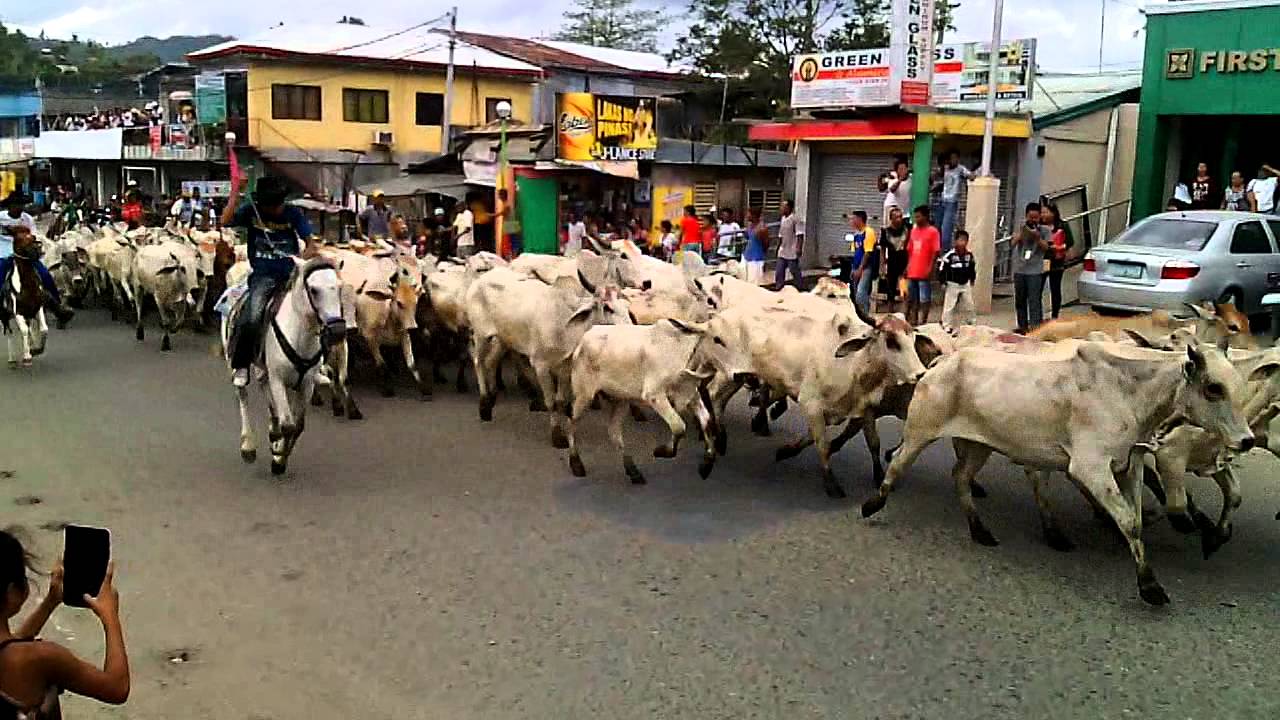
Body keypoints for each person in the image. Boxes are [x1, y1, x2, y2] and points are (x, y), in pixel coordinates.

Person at [0, 529, 130, 718]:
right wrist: (110, 617)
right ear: (12, 592)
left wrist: (49, 603)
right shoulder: (42, 657)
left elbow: (11, 646)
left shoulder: (20, 657)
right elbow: (117, 687)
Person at [221, 175, 316, 388]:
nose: (277, 208)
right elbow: (225, 221)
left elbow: (311, 244)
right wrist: (236, 192)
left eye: (279, 203)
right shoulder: (250, 212)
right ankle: (242, 364)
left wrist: (303, 259)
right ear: (262, 203)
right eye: (272, 204)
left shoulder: (293, 214)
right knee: (252, 317)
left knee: (318, 313)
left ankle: (316, 366)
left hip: (291, 275)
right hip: (263, 277)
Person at [0, 193, 75, 328]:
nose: (19, 208)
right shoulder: (1, 218)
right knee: (0, 275)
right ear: (9, 206)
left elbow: (34, 236)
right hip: (4, 253)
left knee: (45, 274)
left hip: (24, 254)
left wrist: (30, 241)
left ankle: (58, 307)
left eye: (21, 205)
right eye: (16, 205)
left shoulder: (27, 219)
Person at [1012, 202, 1049, 333]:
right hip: (1020, 269)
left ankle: (1036, 327)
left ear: (1040, 218)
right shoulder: (1021, 227)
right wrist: (1023, 233)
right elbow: (1013, 243)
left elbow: (1046, 248)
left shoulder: (1044, 230)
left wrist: (1037, 238)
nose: (1032, 220)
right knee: (1020, 300)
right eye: (1030, 217)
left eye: (1035, 218)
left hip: (1035, 270)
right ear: (1026, 216)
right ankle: (1022, 326)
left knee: (1034, 300)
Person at [904, 205, 940, 326]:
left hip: (924, 270)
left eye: (918, 216)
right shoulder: (914, 231)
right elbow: (910, 250)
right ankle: (913, 318)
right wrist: (907, 266)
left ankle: (923, 320)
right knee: (912, 297)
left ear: (925, 217)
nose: (916, 219)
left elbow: (936, 251)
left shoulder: (933, 232)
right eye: (915, 216)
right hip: (913, 269)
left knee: (924, 297)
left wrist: (931, 267)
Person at [938, 229, 977, 330]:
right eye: (960, 240)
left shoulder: (969, 255)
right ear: (955, 241)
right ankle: (946, 325)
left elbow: (972, 267)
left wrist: (972, 278)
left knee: (969, 305)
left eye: (964, 240)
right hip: (952, 284)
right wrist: (943, 281)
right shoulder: (950, 255)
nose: (962, 243)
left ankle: (971, 323)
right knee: (949, 306)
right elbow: (942, 268)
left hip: (965, 284)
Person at [1042, 203, 1074, 320]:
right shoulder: (1040, 226)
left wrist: (1061, 247)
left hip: (1057, 260)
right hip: (1044, 260)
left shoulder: (1062, 225)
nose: (1043, 215)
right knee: (1038, 286)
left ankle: (1055, 315)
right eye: (1042, 212)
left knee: (1055, 288)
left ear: (1053, 213)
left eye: (1046, 212)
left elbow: (1070, 241)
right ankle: (1037, 314)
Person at [879, 206, 909, 312]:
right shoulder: (886, 231)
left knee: (903, 289)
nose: (899, 219)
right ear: (891, 219)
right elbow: (883, 250)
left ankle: (905, 311)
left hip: (903, 262)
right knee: (890, 289)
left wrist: (908, 265)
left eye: (900, 217)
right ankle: (890, 311)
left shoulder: (907, 229)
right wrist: (882, 266)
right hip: (892, 263)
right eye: (896, 217)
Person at [939, 152, 972, 250]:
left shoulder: (960, 169)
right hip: (942, 200)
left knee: (946, 229)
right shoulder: (945, 168)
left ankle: (946, 250)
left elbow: (970, 175)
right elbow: (937, 178)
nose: (953, 160)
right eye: (951, 158)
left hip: (952, 202)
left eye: (955, 158)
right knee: (939, 228)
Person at [848, 210, 878, 312]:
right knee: (855, 294)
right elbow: (855, 252)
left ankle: (865, 313)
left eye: (853, 219)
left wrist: (860, 268)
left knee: (861, 293)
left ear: (859, 219)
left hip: (866, 267)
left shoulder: (868, 232)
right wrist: (853, 268)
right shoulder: (856, 234)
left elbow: (867, 252)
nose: (851, 221)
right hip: (856, 266)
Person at [775, 200, 803, 289]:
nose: (781, 208)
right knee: (779, 270)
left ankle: (799, 287)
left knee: (794, 270)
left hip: (792, 250)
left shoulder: (795, 219)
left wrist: (798, 247)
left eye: (783, 207)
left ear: (789, 208)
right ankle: (779, 287)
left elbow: (800, 234)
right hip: (783, 249)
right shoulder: (783, 219)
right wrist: (778, 245)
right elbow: (781, 234)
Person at [743, 208, 769, 283]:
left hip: (756, 259)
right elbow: (747, 236)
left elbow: (766, 243)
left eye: (748, 214)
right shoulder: (750, 225)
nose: (747, 216)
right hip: (747, 256)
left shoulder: (762, 228)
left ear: (753, 215)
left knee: (755, 282)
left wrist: (762, 255)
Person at [883, 159, 912, 224]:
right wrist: (899, 180)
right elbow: (892, 189)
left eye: (904, 168)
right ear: (897, 171)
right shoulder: (893, 180)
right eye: (900, 169)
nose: (903, 171)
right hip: (893, 210)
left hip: (905, 211)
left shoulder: (911, 179)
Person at [496, 188, 522, 259]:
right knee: (513, 242)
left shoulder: (507, 204)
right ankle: (513, 257)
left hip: (510, 224)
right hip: (512, 224)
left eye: (499, 195)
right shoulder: (506, 203)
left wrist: (490, 215)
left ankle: (512, 257)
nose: (499, 197)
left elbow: (502, 213)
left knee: (509, 242)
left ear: (503, 195)